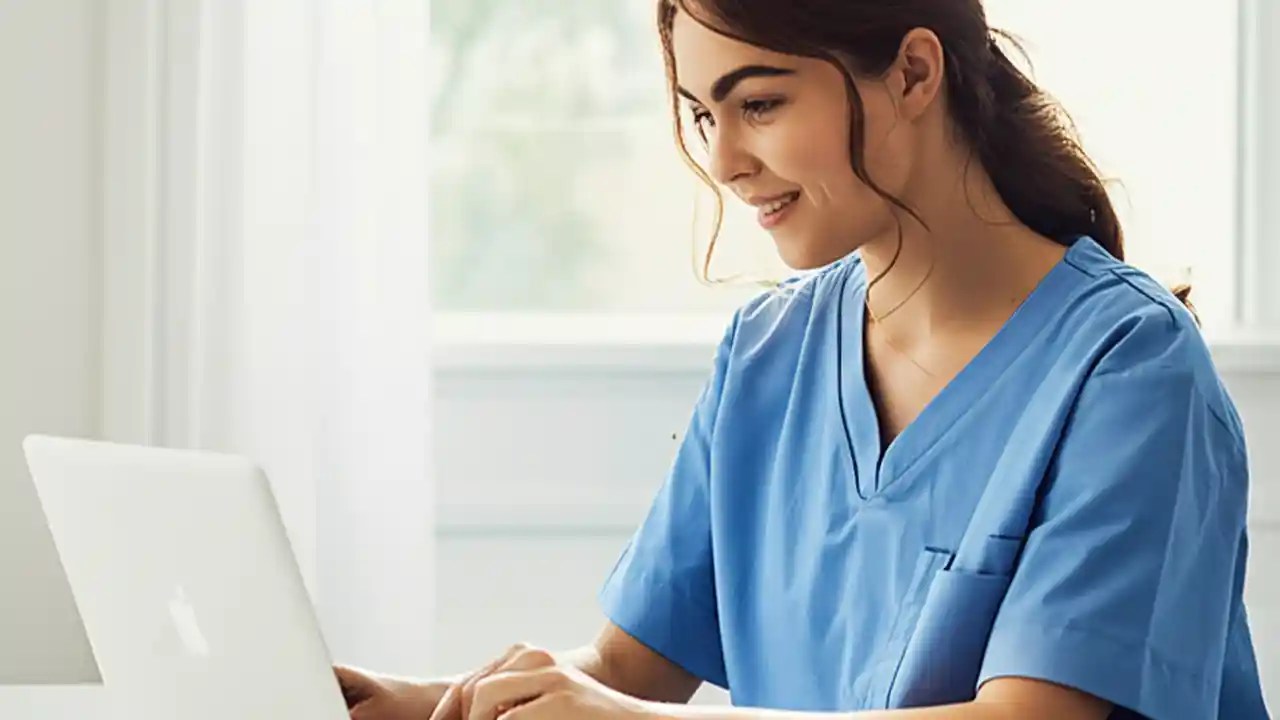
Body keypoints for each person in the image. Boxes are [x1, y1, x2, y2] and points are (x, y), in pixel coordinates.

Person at [336, 1, 1272, 718]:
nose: (727, 161)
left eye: (760, 103)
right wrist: (429, 700)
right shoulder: (766, 356)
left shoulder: (1129, 370)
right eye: (705, 115)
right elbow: (627, 672)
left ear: (912, 73)